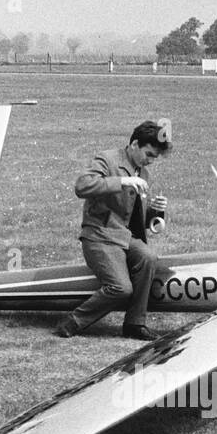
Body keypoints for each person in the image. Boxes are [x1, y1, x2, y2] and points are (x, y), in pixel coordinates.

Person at [57, 120, 171, 340]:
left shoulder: (144, 174)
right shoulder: (108, 159)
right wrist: (121, 181)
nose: (151, 161)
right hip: (99, 235)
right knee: (121, 288)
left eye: (154, 158)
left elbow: (136, 219)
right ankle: (73, 322)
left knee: (149, 258)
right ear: (135, 144)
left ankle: (135, 323)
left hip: (124, 236)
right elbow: (82, 186)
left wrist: (156, 212)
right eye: (149, 155)